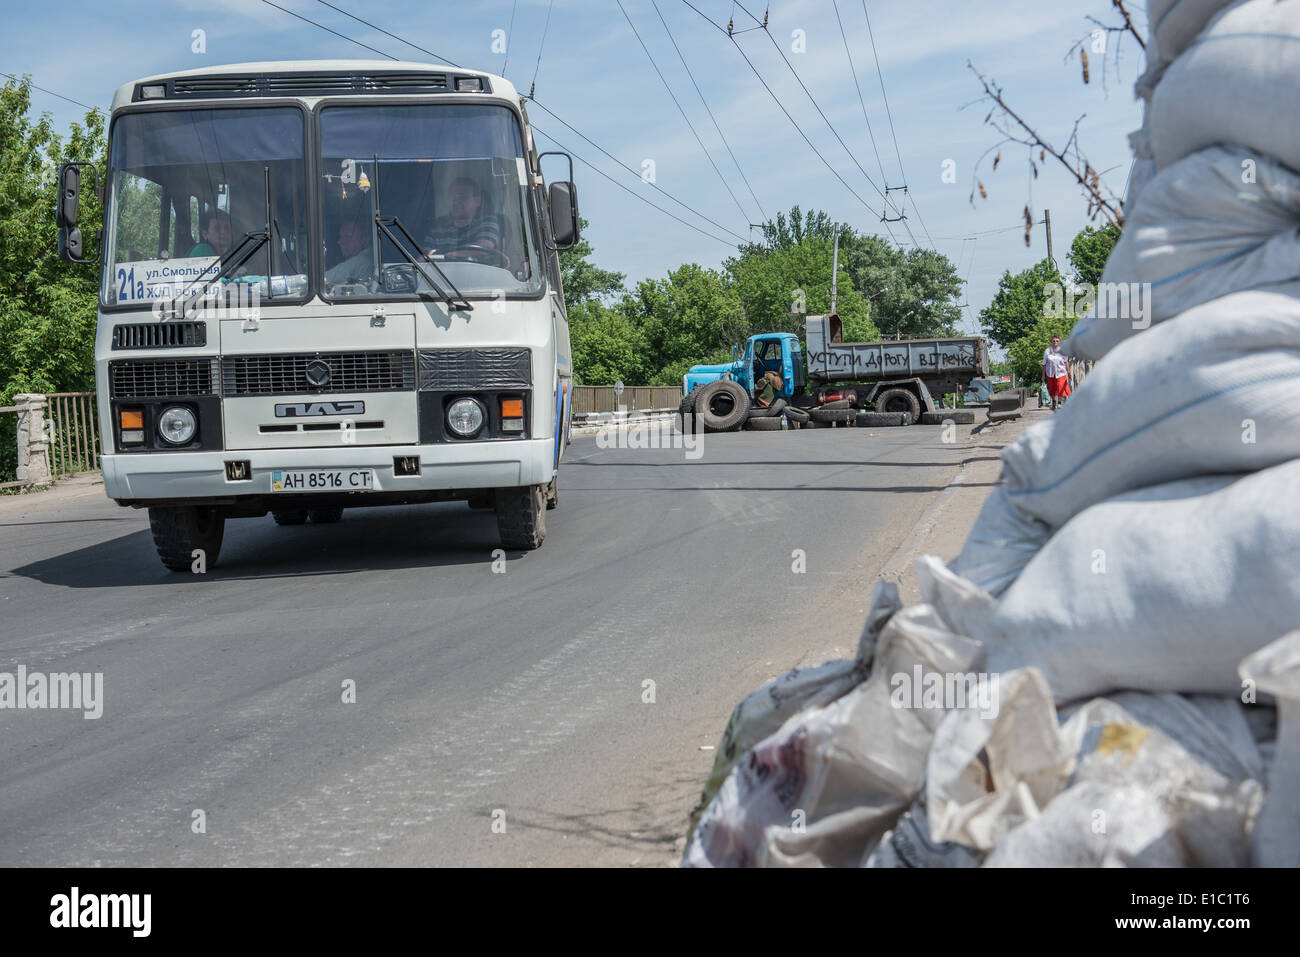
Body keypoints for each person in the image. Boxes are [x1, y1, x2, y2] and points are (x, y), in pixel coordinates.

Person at [423, 177, 503, 262]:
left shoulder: (487, 222)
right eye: (452, 198)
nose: (455, 202)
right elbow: (423, 258)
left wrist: (446, 255)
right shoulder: (438, 227)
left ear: (477, 201)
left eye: (462, 197)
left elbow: (484, 248)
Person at [326, 210, 374, 283]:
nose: (339, 242)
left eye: (347, 236)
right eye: (341, 236)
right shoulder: (373, 256)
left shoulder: (361, 261)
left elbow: (319, 280)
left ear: (365, 240)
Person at [1042, 334, 1071, 410]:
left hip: (1061, 372)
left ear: (1060, 342)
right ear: (1052, 341)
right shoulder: (1047, 351)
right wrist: (1043, 375)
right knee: (1052, 388)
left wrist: (1068, 372)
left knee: (1061, 387)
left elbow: (1066, 361)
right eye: (1054, 341)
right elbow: (1044, 364)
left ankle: (1059, 403)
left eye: (1057, 341)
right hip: (1050, 372)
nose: (1055, 342)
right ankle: (1054, 401)